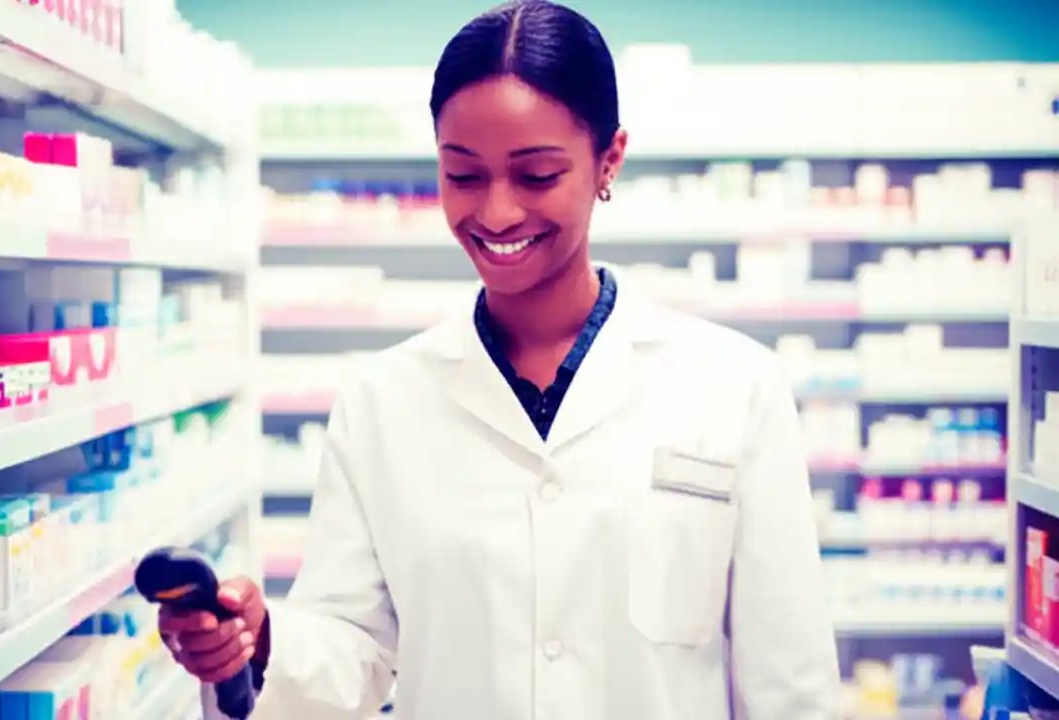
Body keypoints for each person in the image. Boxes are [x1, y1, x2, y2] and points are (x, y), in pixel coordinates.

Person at [159, 1, 841, 717]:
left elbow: (789, 685)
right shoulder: (382, 402)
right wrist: (263, 643)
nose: (496, 212)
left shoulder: (732, 387)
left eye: (538, 174)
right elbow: (355, 648)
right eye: (463, 175)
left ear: (609, 160)